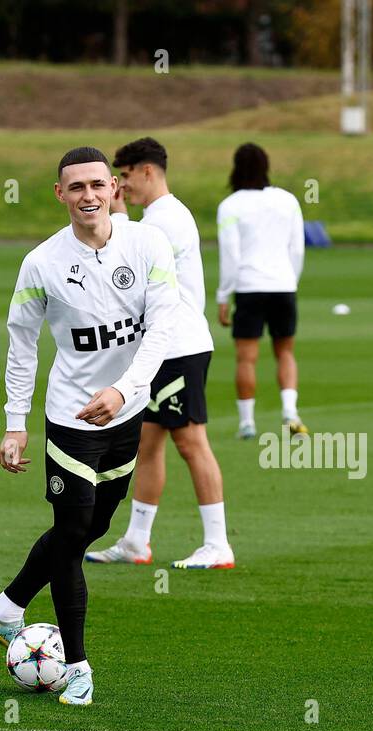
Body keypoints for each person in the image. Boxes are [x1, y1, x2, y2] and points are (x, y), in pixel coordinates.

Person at [0, 147, 180, 708]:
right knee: (72, 530)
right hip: (70, 416)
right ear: (59, 195)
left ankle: (8, 607)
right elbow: (21, 347)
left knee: (89, 529)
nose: (88, 195)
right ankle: (78, 666)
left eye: (97, 184)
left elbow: (162, 328)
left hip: (125, 412)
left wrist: (123, 391)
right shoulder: (41, 263)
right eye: (76, 187)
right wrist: (15, 425)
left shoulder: (148, 244)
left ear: (115, 187)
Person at [86, 137, 235, 570]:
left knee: (191, 441)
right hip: (159, 350)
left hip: (179, 348)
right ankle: (136, 540)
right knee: (147, 444)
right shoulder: (156, 217)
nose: (121, 187)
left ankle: (218, 542)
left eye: (125, 177)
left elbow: (123, 265)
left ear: (147, 171)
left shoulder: (166, 220)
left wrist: (115, 212)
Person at [216, 143, 308, 439]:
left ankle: (247, 422)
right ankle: (290, 412)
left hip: (249, 287)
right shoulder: (288, 200)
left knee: (246, 357)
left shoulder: (230, 205)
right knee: (285, 352)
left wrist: (222, 296)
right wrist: (290, 279)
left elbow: (230, 254)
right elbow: (297, 248)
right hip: (283, 285)